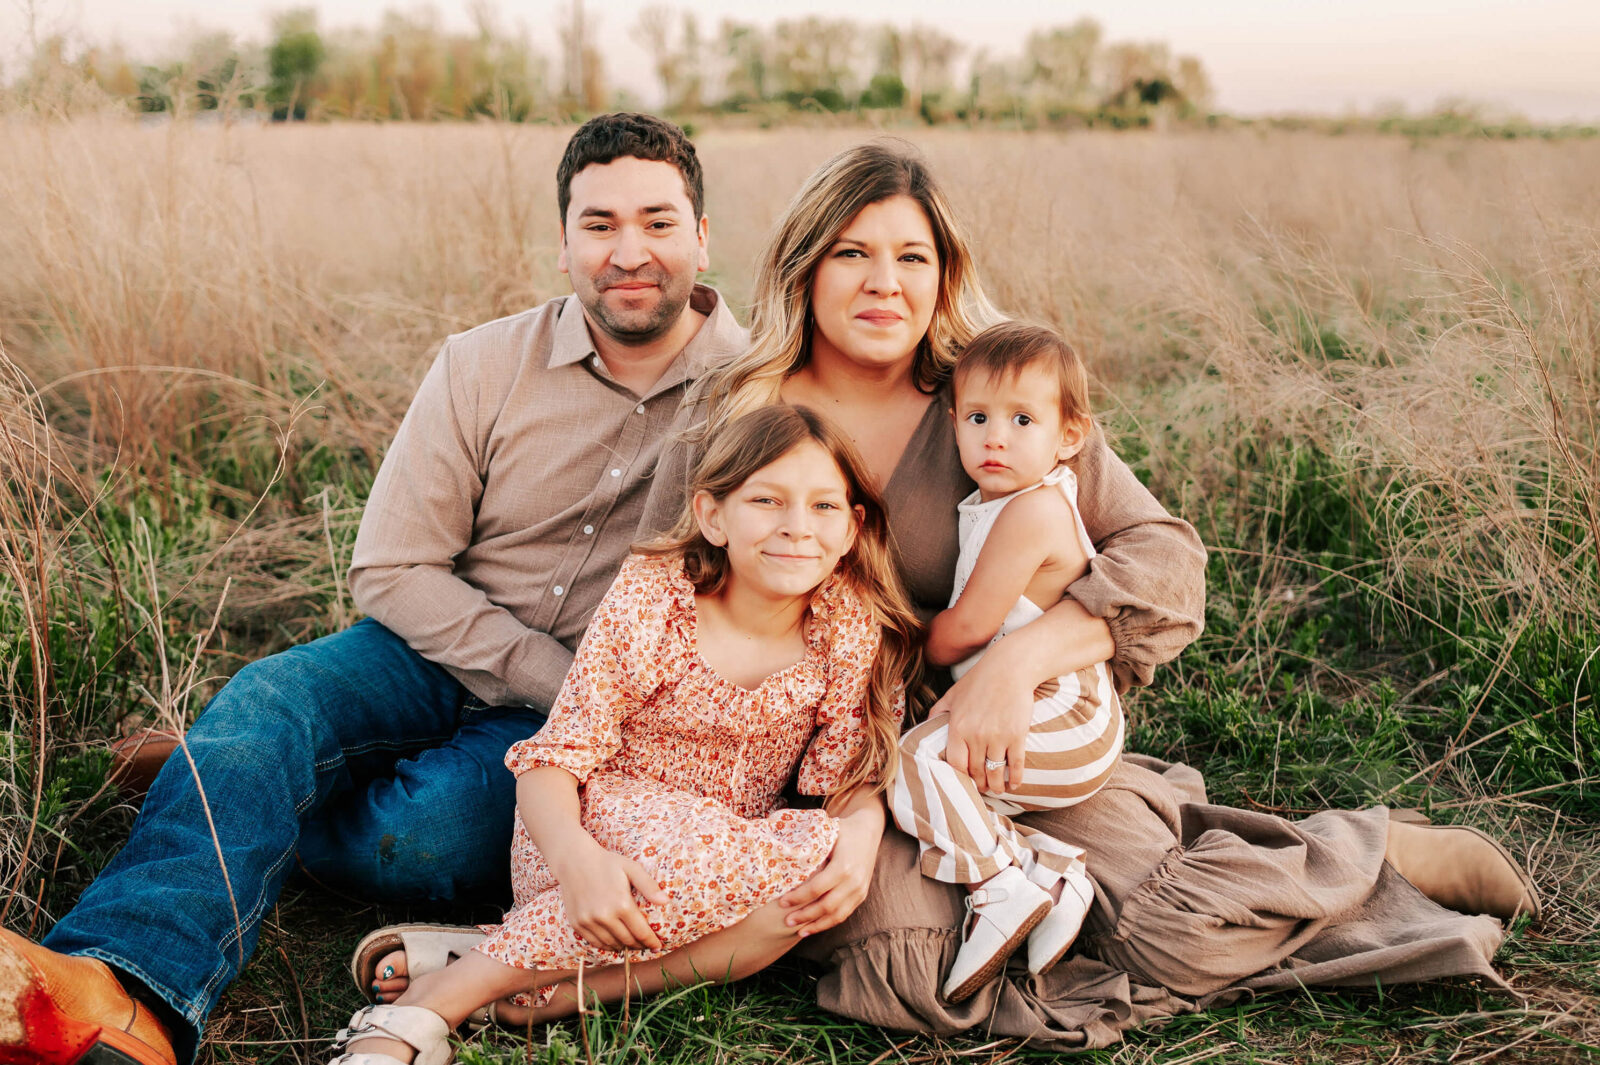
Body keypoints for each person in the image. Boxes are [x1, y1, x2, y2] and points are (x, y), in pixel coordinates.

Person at [559, 140, 1531, 1043]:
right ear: (806, 266)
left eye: (912, 257)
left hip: (990, 736)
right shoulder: (737, 407)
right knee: (913, 964)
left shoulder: (993, 397)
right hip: (821, 761)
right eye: (852, 253)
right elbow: (664, 584)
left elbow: (1162, 554)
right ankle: (1042, 870)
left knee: (1166, 931)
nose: (884, 282)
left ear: (945, 273)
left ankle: (1367, 853)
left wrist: (1018, 661)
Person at [0, 112, 750, 1065]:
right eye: (599, 224)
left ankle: (223, 772)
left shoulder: (755, 395)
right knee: (272, 696)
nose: (628, 252)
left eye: (658, 221)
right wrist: (544, 667)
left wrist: (584, 699)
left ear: (702, 236)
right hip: (431, 648)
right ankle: (124, 989)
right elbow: (391, 565)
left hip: (576, 723)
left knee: (428, 837)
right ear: (564, 243)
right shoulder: (481, 362)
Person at [324, 404, 920, 1065]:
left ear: (851, 527)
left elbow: (848, 772)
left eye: (823, 507)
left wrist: (860, 836)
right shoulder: (657, 596)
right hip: (595, 836)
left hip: (727, 867)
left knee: (808, 891)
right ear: (712, 515)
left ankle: (543, 990)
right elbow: (552, 760)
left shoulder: (848, 625)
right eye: (766, 500)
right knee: (725, 858)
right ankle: (439, 999)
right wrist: (577, 861)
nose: (796, 527)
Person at [891, 321, 1122, 1003]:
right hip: (1037, 709)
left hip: (1067, 713)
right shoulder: (992, 503)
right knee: (928, 788)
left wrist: (898, 645)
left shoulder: (1033, 511)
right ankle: (1051, 872)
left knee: (917, 759)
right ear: (954, 425)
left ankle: (997, 887)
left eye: (1023, 420)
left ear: (1069, 435)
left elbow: (965, 631)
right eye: (978, 418)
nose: (996, 437)